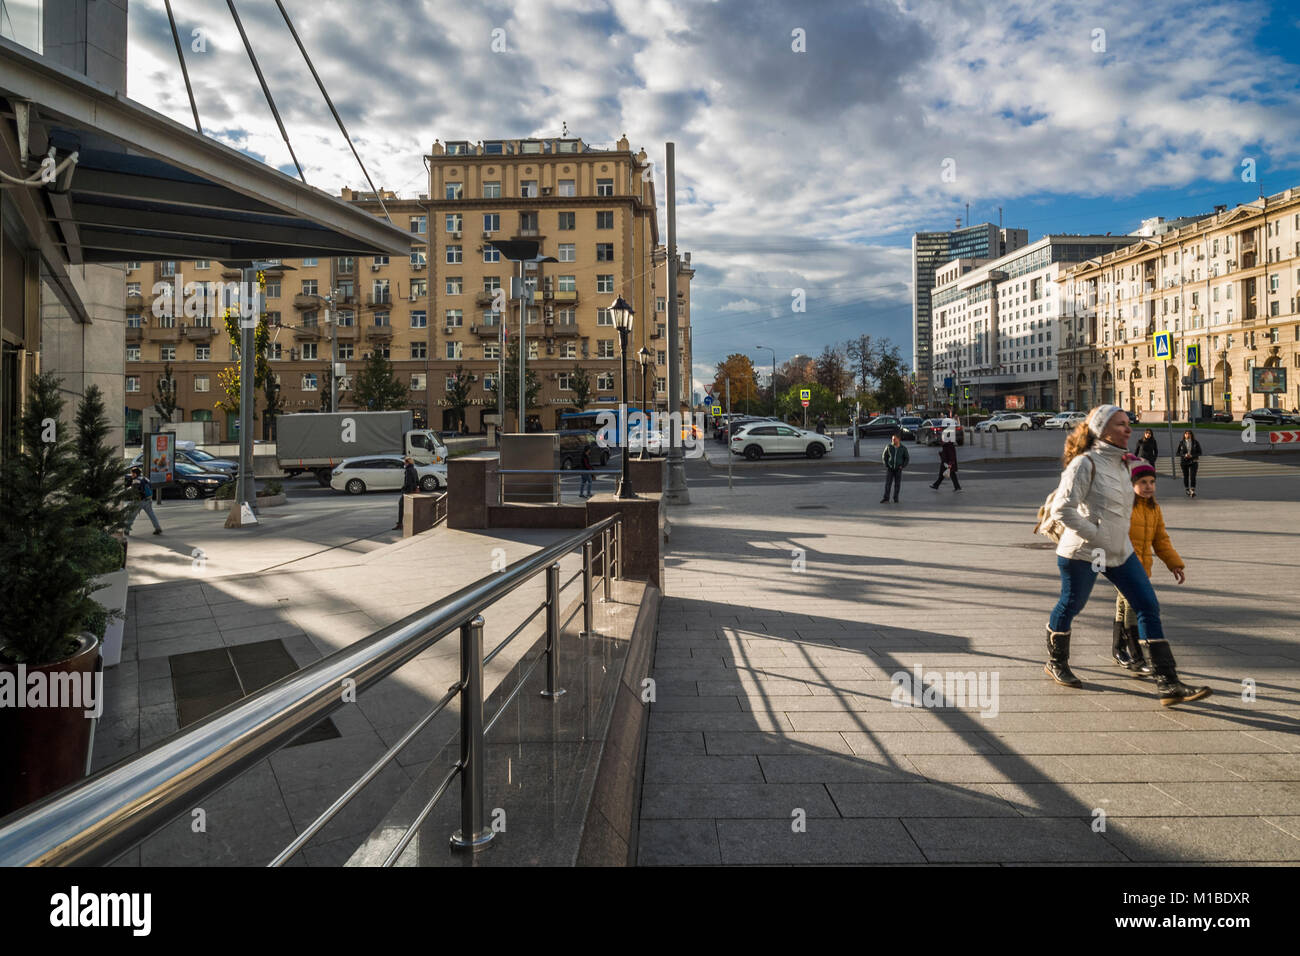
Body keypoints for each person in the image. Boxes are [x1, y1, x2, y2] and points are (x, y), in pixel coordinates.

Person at [1044, 405, 1210, 707]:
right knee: (1072, 604)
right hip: (1085, 550)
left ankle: (1167, 681)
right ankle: (1057, 662)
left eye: (1128, 423)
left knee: (1147, 604)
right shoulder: (1084, 464)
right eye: (1121, 424)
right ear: (1102, 430)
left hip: (1120, 551)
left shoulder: (1123, 463)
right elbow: (1063, 509)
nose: (1129, 428)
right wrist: (1094, 534)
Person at [1111, 459, 1185, 678]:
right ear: (1131, 484)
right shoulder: (1123, 507)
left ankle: (1118, 649)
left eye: (1152, 482)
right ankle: (1136, 657)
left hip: (1142, 569)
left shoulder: (1154, 509)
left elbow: (1160, 539)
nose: (1148, 486)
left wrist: (1174, 563)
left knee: (1124, 606)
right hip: (1123, 566)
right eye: (1142, 482)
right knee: (1133, 606)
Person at [125, 466, 163, 536]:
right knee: (152, 515)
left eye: (132, 474)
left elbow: (134, 490)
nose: (132, 475)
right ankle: (157, 528)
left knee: (132, 515)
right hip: (148, 500)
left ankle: (127, 530)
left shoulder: (136, 480)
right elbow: (150, 486)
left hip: (138, 501)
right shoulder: (145, 478)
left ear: (135, 474)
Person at [880, 432, 909, 503]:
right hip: (890, 468)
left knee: (897, 484)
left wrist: (902, 466)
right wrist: (886, 464)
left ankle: (896, 498)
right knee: (888, 484)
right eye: (892, 439)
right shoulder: (889, 446)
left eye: (894, 439)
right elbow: (884, 456)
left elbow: (907, 458)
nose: (893, 440)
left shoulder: (903, 448)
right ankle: (886, 498)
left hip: (898, 469)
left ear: (898, 440)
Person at [393, 456, 419, 530]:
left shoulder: (408, 470)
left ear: (407, 462)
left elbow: (407, 482)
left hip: (408, 491)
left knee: (401, 505)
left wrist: (403, 489)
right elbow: (417, 481)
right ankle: (405, 523)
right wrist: (416, 488)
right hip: (413, 491)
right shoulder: (414, 469)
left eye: (405, 462)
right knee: (408, 507)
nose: (404, 463)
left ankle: (400, 524)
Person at [1175, 429, 1202, 497]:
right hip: (1184, 462)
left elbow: (1200, 452)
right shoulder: (1181, 442)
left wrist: (1192, 455)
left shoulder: (1195, 442)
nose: (1187, 435)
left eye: (1189, 433)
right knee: (1186, 476)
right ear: (1184, 435)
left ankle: (1192, 490)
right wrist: (1184, 455)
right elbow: (1177, 453)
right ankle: (1187, 489)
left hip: (1193, 461)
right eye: (1186, 433)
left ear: (1191, 435)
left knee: (1193, 476)